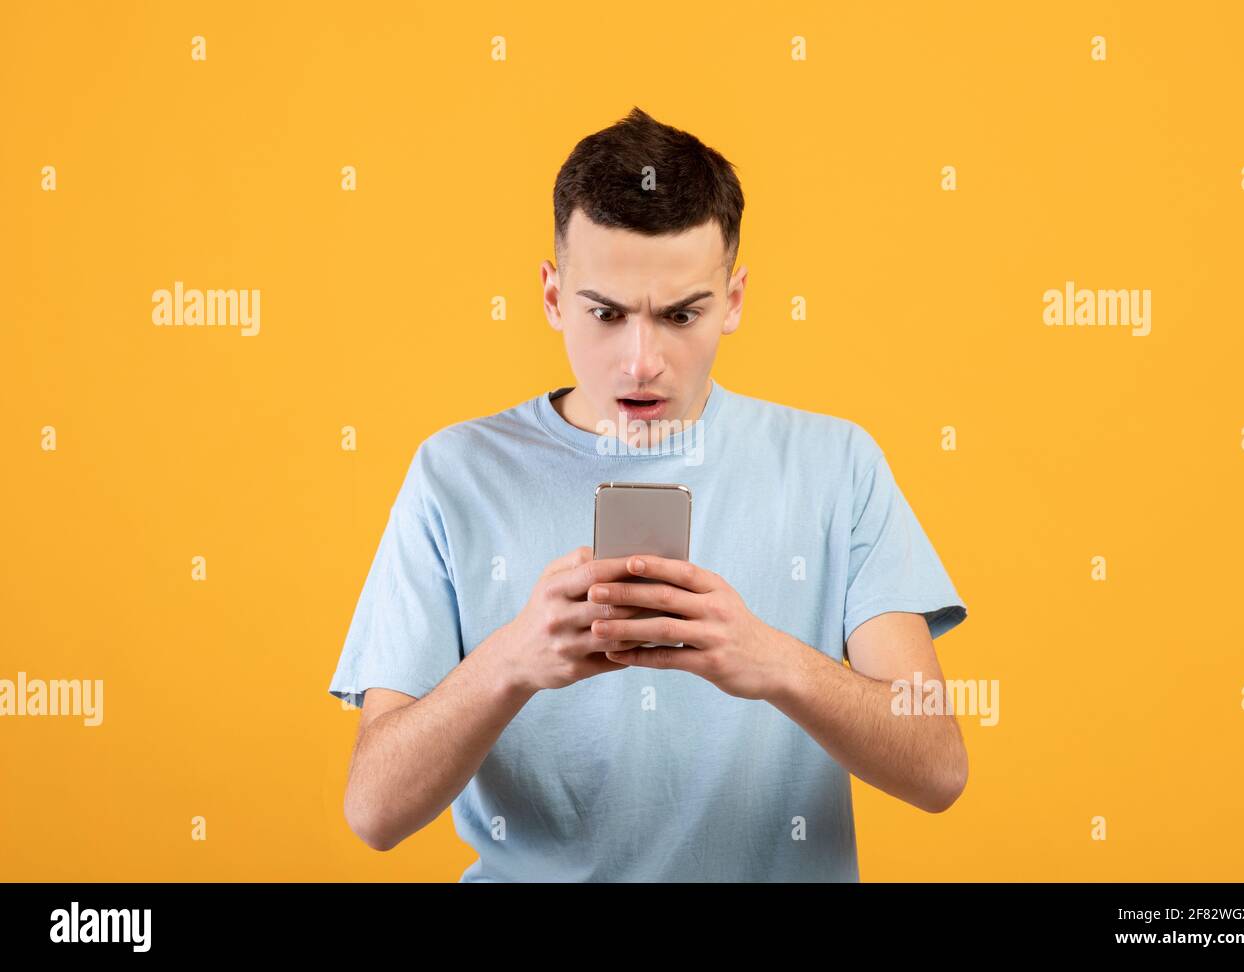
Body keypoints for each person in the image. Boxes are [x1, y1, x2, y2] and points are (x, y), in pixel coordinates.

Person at [328, 106, 969, 882]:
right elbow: (373, 812)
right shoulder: (455, 473)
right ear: (553, 297)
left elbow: (937, 767)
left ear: (732, 301)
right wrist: (512, 660)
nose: (641, 363)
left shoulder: (837, 464)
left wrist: (768, 659)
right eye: (605, 313)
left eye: (680, 315)